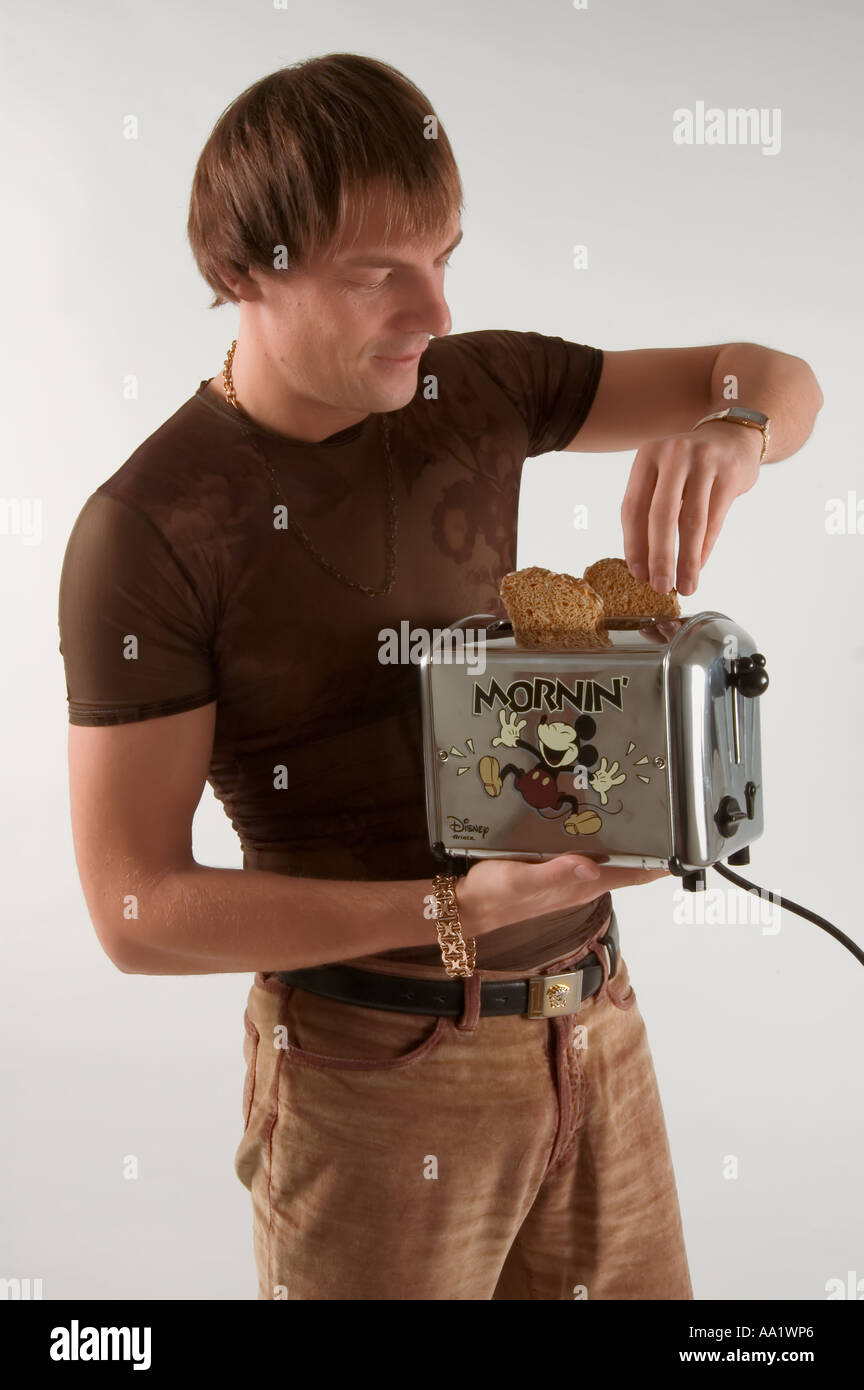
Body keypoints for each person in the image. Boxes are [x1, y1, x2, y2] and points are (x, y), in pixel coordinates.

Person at [57, 53, 823, 1300]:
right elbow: (132, 908)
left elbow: (771, 373)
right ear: (248, 272)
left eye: (445, 258)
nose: (437, 312)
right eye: (379, 275)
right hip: (369, 1077)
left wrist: (733, 433)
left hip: (596, 1030)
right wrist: (448, 912)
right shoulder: (147, 529)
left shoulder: (478, 390)